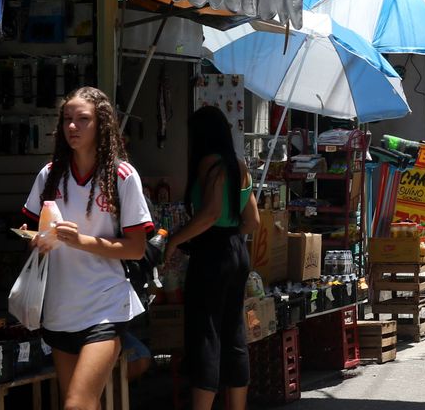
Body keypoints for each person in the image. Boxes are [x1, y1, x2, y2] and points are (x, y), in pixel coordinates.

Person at [19, 87, 153, 410]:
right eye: (67, 119)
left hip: (105, 307)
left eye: (83, 119)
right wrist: (34, 240)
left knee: (77, 404)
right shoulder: (49, 175)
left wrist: (82, 242)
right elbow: (36, 234)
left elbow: (136, 249)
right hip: (59, 309)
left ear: (102, 125)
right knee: (79, 403)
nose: (72, 127)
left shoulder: (122, 176)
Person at [162, 106, 261, 410]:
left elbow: (210, 213)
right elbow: (252, 221)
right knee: (233, 332)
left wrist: (176, 240)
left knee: (205, 334)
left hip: (212, 255)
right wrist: (230, 236)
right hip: (235, 251)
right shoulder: (239, 166)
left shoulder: (211, 165)